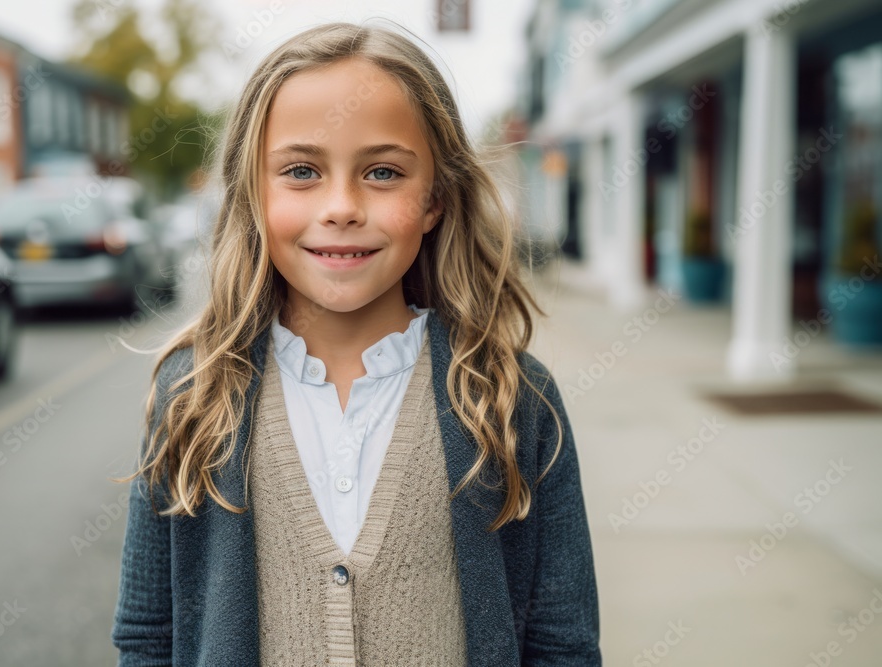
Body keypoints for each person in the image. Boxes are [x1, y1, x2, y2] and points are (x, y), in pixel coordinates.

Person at [110, 18, 602, 667]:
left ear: (435, 199)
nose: (341, 206)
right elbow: (148, 636)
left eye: (382, 172)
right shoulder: (192, 396)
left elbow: (563, 643)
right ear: (254, 192)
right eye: (302, 170)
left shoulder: (514, 398)